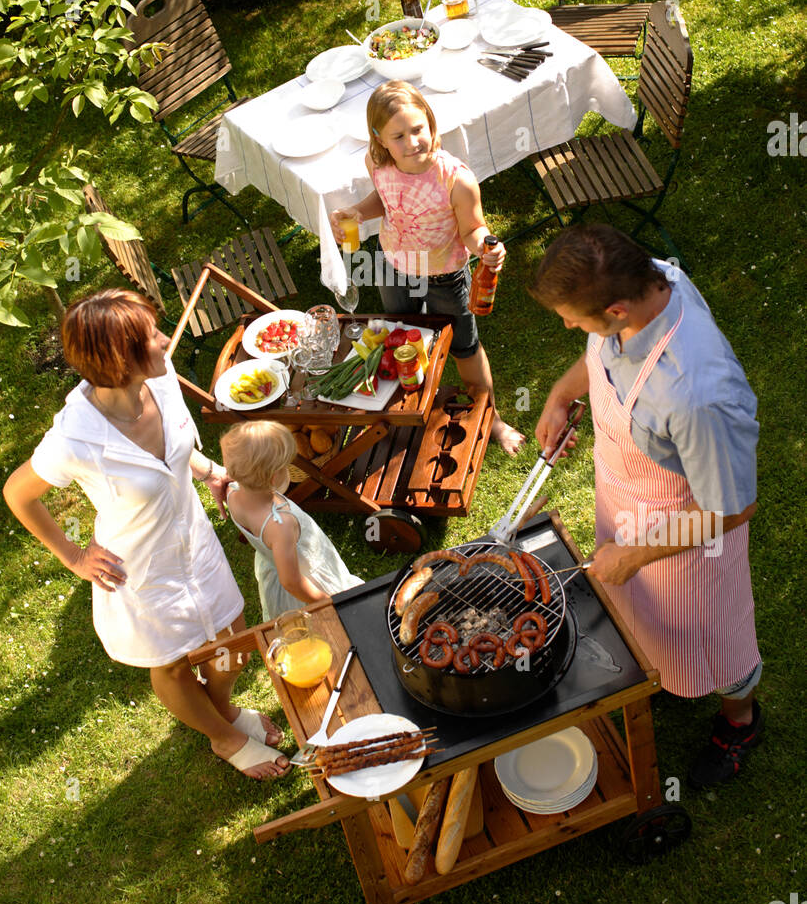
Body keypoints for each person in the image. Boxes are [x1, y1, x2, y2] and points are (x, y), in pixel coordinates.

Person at [3, 289, 289, 781]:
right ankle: (225, 739)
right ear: (121, 359)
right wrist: (73, 556)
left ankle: (221, 711)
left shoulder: (162, 382)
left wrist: (211, 473)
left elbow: (184, 448)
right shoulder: (75, 438)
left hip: (195, 547)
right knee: (174, 665)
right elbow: (17, 493)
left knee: (235, 642)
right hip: (140, 573)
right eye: (152, 337)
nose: (164, 341)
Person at [529, 225, 762, 787]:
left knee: (713, 639)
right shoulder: (650, 280)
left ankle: (741, 721)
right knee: (641, 621)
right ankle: (655, 671)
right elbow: (602, 354)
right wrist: (563, 393)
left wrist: (635, 555)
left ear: (616, 308)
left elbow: (734, 507)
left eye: (575, 318)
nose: (568, 326)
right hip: (627, 502)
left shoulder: (698, 397)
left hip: (686, 538)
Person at [329, 80, 524, 454]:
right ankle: (408, 410)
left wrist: (485, 246)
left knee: (464, 347)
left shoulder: (456, 179)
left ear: (430, 123)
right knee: (401, 335)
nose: (412, 142)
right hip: (393, 267)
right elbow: (385, 200)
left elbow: (471, 228)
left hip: (444, 277)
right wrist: (359, 211)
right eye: (398, 135)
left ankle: (492, 418)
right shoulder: (378, 163)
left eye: (418, 129)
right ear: (379, 138)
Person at [221, 421, 364, 619]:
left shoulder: (232, 493)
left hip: (272, 564)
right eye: (285, 465)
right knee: (330, 623)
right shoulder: (280, 524)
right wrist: (325, 601)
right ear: (273, 477)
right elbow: (291, 581)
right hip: (306, 581)